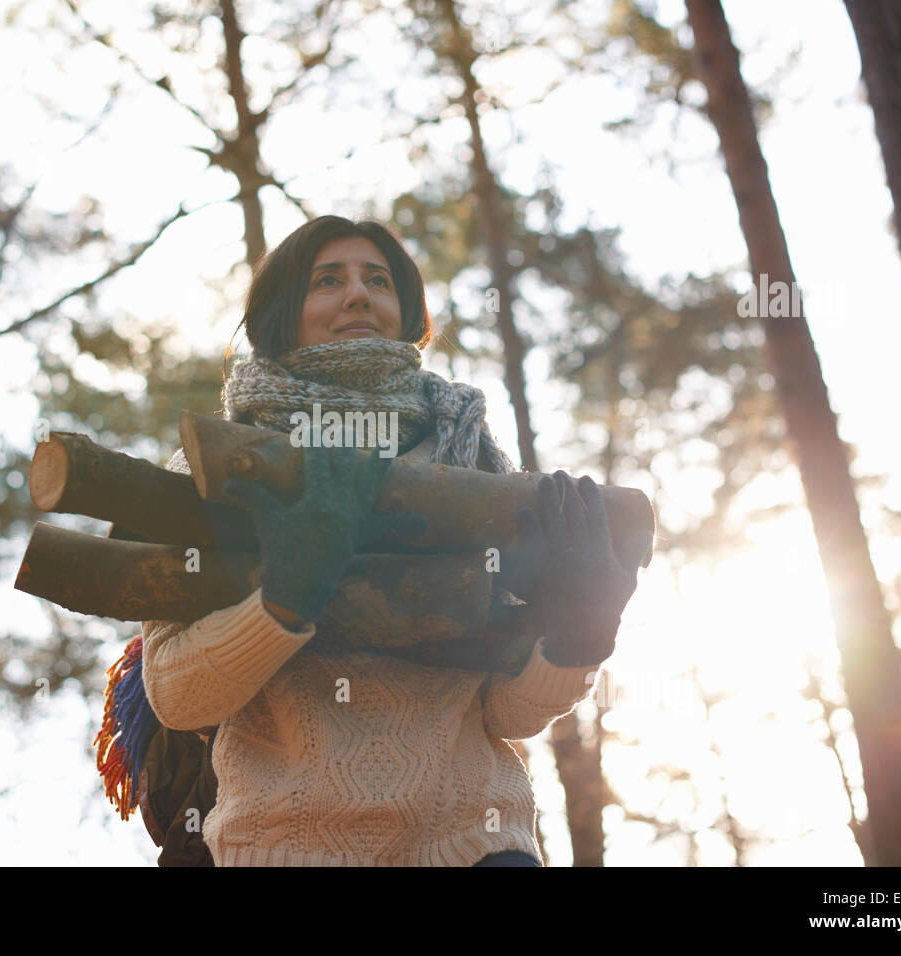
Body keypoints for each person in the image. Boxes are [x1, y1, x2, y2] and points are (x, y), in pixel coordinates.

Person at [138, 215, 649, 866]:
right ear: (279, 312)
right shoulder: (213, 469)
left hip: (479, 847)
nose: (358, 294)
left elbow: (504, 713)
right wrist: (285, 602)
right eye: (328, 280)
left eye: (376, 279)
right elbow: (180, 698)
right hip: (281, 849)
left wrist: (579, 640)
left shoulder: (476, 466)